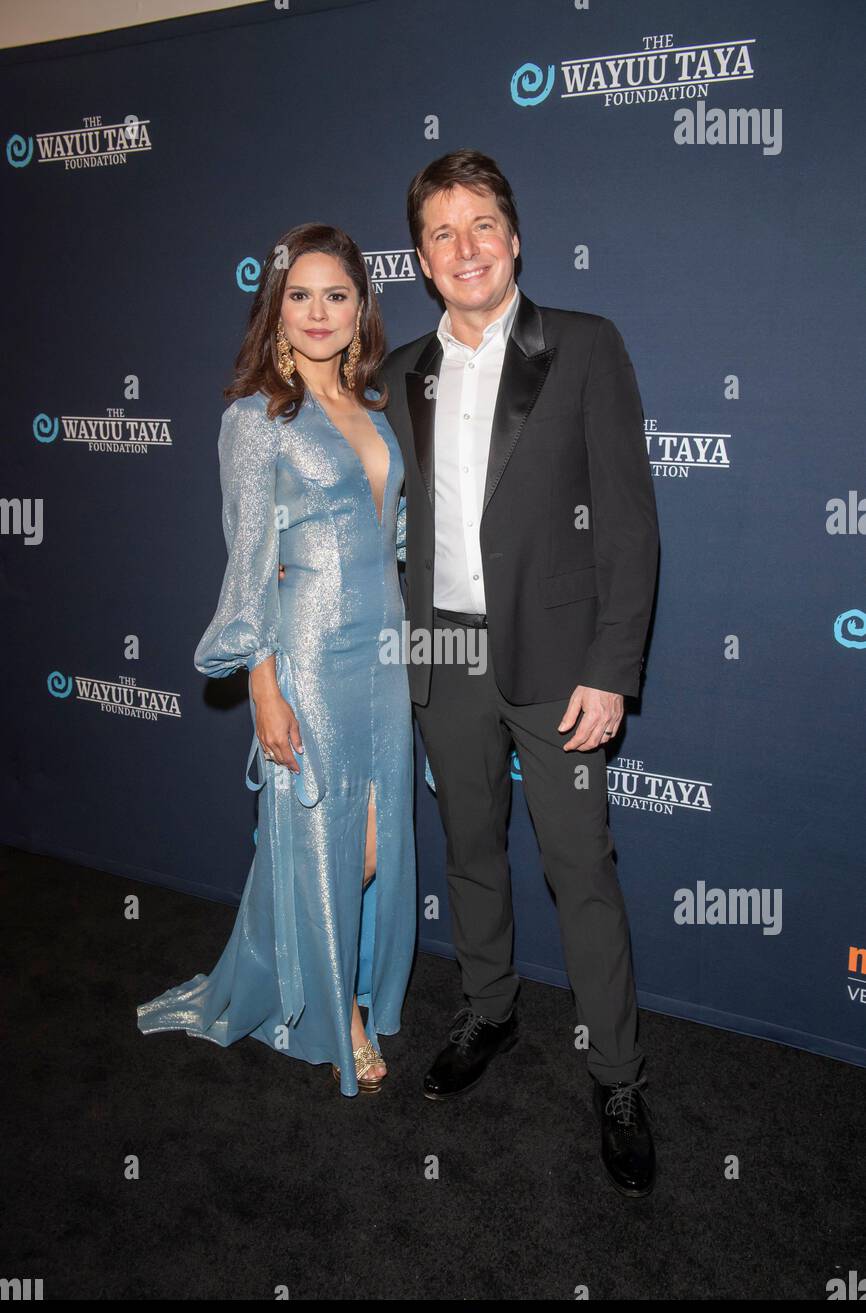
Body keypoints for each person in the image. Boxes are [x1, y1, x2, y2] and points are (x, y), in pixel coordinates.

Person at [379, 150, 660, 1194]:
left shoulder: (581, 346)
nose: (464, 247)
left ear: (514, 237)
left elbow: (627, 526)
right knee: (467, 851)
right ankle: (487, 1011)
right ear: (419, 257)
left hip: (555, 663)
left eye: (481, 224)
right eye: (442, 232)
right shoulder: (397, 369)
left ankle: (618, 1075)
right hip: (441, 650)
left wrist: (611, 668)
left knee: (579, 868)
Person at [137, 225, 416, 1096]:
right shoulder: (255, 421)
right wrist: (263, 682)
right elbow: (249, 559)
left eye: (337, 294)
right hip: (309, 656)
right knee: (330, 845)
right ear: (277, 310)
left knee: (377, 844)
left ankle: (340, 984)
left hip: (384, 651)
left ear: (361, 307)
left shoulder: (373, 409)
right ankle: (341, 1014)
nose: (319, 312)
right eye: (301, 295)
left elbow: (391, 534)